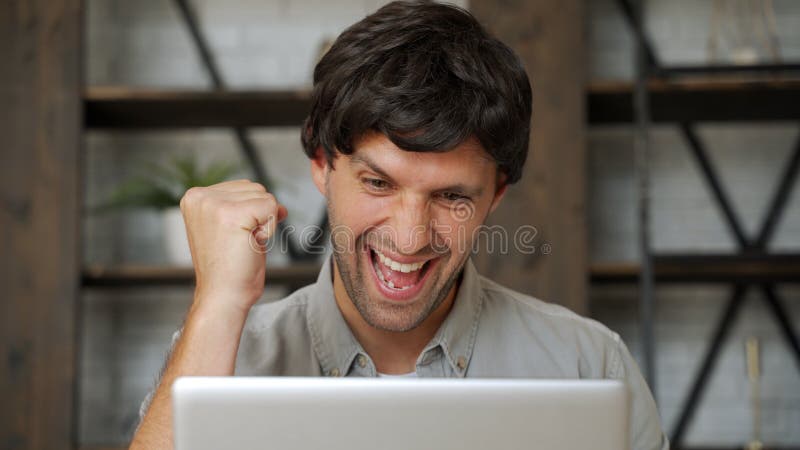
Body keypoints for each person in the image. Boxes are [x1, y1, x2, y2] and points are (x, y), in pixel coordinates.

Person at [130, 1, 668, 449]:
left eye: (451, 195)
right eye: (379, 184)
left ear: (496, 194)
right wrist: (218, 304)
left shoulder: (589, 364)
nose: (410, 237)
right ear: (322, 163)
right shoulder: (219, 357)